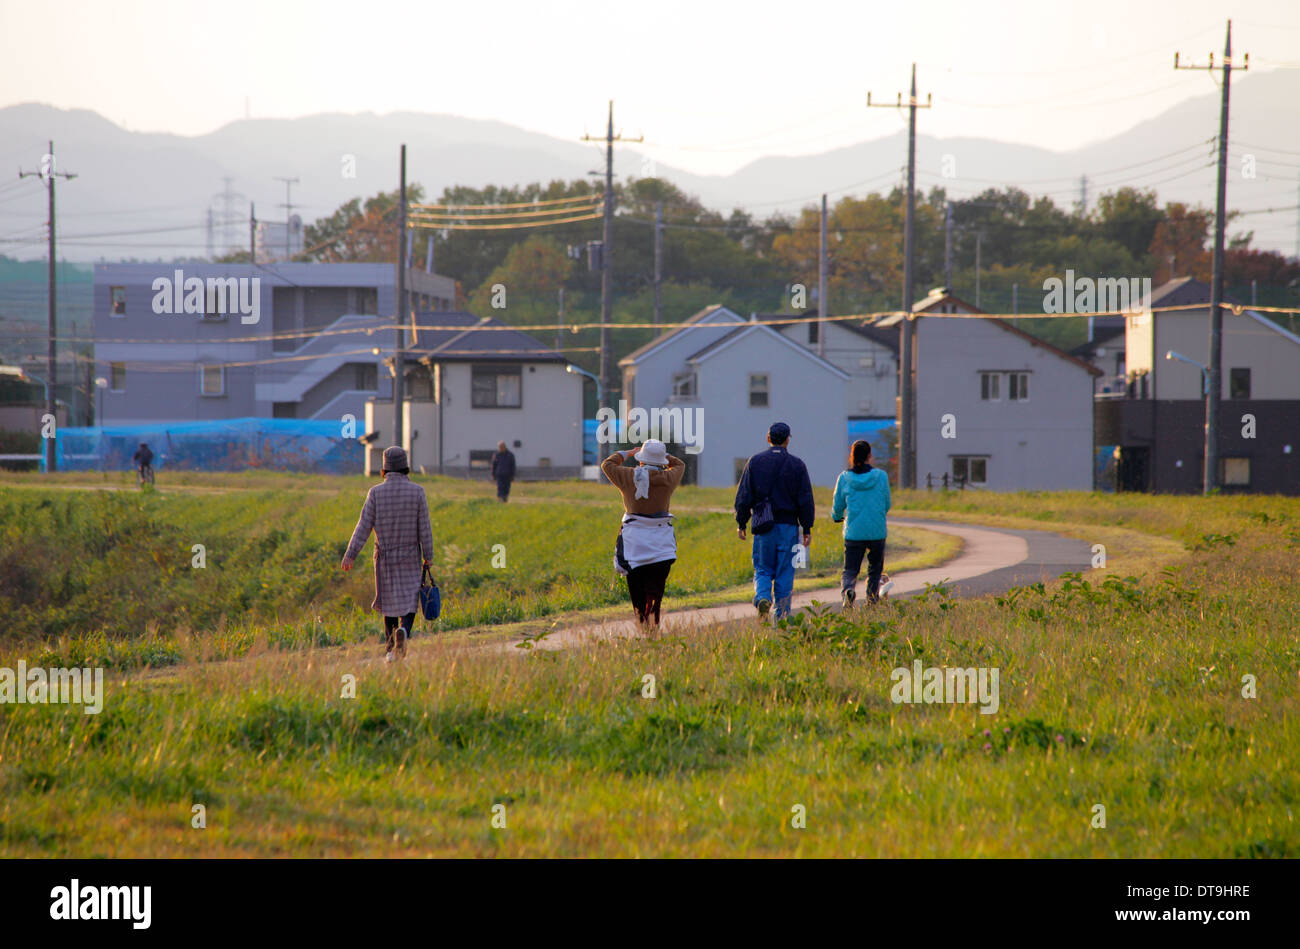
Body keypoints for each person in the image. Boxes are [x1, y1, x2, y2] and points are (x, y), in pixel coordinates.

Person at [341, 445, 435, 663]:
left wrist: (350, 554)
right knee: (410, 601)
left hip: (384, 559)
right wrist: (428, 555)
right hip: (410, 556)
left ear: (383, 472)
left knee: (389, 603)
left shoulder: (375, 493)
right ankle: (405, 632)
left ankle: (391, 649)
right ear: (407, 469)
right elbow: (425, 528)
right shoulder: (418, 492)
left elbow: (363, 527)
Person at [734, 421, 815, 620]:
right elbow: (805, 499)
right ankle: (782, 615)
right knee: (785, 571)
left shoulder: (755, 462)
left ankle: (762, 597)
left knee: (762, 568)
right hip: (788, 526)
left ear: (768, 438)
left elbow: (744, 496)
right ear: (788, 440)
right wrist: (806, 528)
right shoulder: (797, 465)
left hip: (763, 526)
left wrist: (741, 523)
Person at [600, 439, 685, 627]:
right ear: (663, 462)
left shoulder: (628, 476)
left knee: (636, 591)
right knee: (655, 591)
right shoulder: (669, 479)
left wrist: (628, 452)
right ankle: (652, 621)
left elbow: (607, 464)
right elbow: (679, 464)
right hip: (661, 542)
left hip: (634, 543)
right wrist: (663, 456)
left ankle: (642, 623)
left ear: (640, 460)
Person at [831, 439, 892, 608]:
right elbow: (887, 503)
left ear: (852, 456)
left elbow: (837, 505)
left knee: (850, 569)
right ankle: (872, 601)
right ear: (869, 456)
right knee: (875, 569)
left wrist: (836, 516)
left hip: (854, 532)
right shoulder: (881, 476)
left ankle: (848, 591)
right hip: (876, 531)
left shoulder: (844, 477)